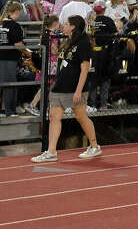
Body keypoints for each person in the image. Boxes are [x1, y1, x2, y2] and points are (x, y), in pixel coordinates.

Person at [32, 15, 102, 162]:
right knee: (54, 117)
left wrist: (78, 91)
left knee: (81, 117)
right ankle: (51, 151)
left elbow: (85, 69)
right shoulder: (68, 41)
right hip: (60, 85)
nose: (63, 25)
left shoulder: (83, 42)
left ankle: (94, 146)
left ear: (74, 27)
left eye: (67, 23)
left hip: (74, 87)